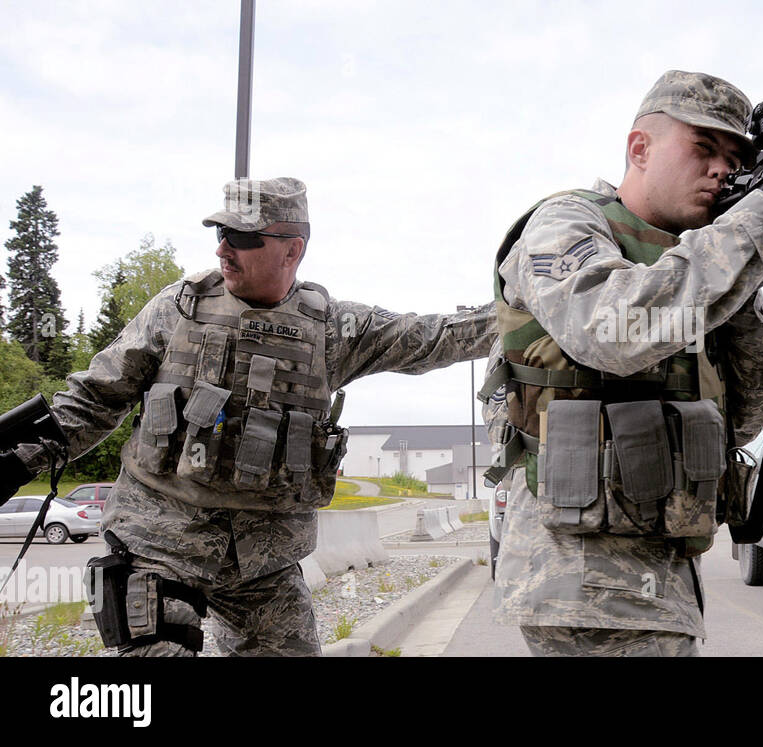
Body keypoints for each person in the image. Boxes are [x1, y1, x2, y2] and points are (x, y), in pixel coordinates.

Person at [0, 177, 494, 656]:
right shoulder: (177, 310)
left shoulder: (335, 329)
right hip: (159, 541)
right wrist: (15, 461)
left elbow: (434, 336)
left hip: (264, 563)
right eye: (220, 234)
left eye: (241, 237)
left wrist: (525, 313)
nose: (222, 249)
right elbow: (96, 397)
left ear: (292, 249)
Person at [488, 70, 763, 656]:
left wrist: (747, 252)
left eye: (734, 160)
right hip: (585, 577)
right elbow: (610, 330)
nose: (720, 170)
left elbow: (747, 409)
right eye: (703, 149)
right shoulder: (568, 222)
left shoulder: (690, 261)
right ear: (640, 148)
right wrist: (756, 222)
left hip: (660, 573)